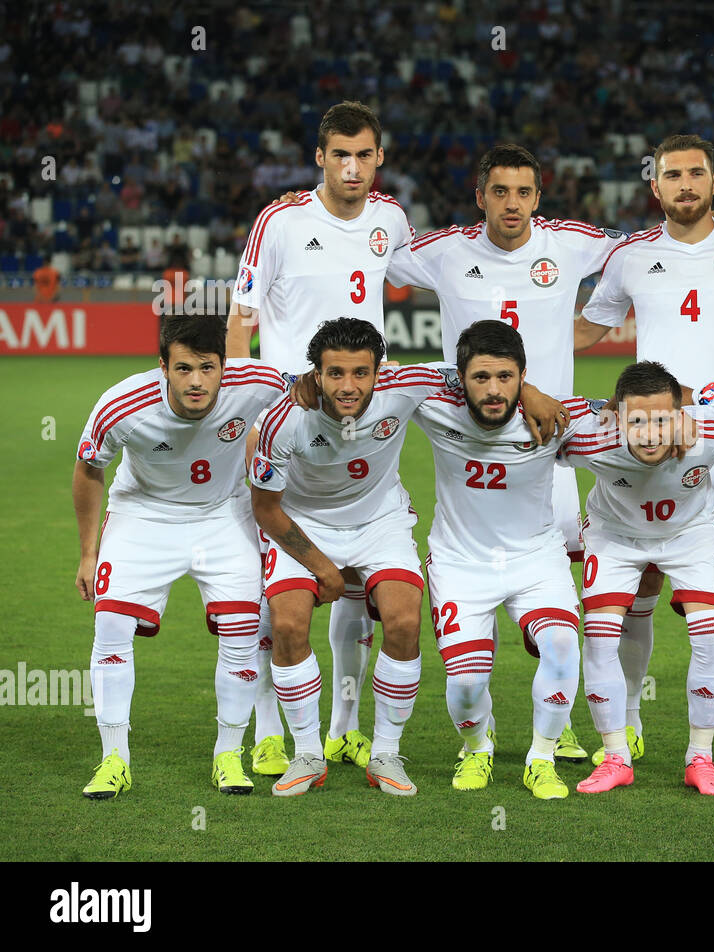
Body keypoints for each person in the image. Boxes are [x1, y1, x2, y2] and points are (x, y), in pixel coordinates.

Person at [379, 142, 714, 762]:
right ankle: (483, 725)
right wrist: (307, 206)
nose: (512, 204)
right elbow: (368, 251)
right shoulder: (444, 252)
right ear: (480, 197)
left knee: (557, 602)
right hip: (477, 429)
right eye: (499, 192)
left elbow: (653, 244)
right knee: (483, 596)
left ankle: (562, 724)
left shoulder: (573, 243)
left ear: (538, 196)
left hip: (552, 446)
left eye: (523, 192)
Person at [575, 133, 714, 770]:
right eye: (674, 175)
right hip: (644, 436)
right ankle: (632, 719)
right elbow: (593, 324)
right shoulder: (632, 256)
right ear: (656, 187)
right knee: (638, 580)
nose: (687, 185)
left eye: (697, 173)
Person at [227, 101, 420, 778]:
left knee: (351, 589)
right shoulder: (279, 220)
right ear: (319, 157)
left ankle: (343, 727)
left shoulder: (391, 220)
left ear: (379, 157)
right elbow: (242, 317)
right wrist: (243, 409)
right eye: (340, 154)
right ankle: (269, 730)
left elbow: (445, 266)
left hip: (358, 413)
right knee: (268, 595)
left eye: (364, 154)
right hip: (283, 422)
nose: (352, 167)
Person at [73, 316, 286, 798]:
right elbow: (88, 469)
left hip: (223, 517)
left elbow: (319, 388)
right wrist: (89, 553)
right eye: (184, 368)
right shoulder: (121, 405)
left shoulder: (258, 382)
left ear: (223, 366)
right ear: (163, 367)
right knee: (110, 628)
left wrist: (387, 375)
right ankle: (114, 759)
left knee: (242, 632)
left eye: (207, 368)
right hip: (143, 516)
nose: (196, 381)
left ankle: (229, 754)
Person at [249, 318, 451, 797]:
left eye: (361, 373)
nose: (348, 386)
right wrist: (323, 568)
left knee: (403, 621)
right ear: (315, 374)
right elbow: (264, 509)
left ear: (380, 371)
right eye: (335, 373)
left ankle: (385, 751)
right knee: (289, 626)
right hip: (304, 523)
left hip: (380, 521)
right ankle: (306, 753)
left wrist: (530, 392)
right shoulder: (286, 418)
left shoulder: (407, 385)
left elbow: (478, 369)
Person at [558, 361, 714, 796]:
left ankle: (700, 758)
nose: (649, 434)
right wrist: (593, 407)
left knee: (709, 636)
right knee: (599, 636)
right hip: (616, 536)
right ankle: (616, 757)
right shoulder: (593, 438)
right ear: (616, 417)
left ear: (681, 414)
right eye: (636, 421)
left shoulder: (711, 431)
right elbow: (546, 422)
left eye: (662, 419)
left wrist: (704, 405)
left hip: (691, 534)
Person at [414, 321, 595, 800]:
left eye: (507, 378)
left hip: (536, 559)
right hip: (459, 565)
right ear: (459, 377)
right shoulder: (432, 405)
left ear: (523, 376)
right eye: (480, 378)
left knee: (561, 648)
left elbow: (635, 410)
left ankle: (542, 758)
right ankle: (477, 745)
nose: (494, 391)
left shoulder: (556, 417)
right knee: (468, 683)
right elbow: (378, 378)